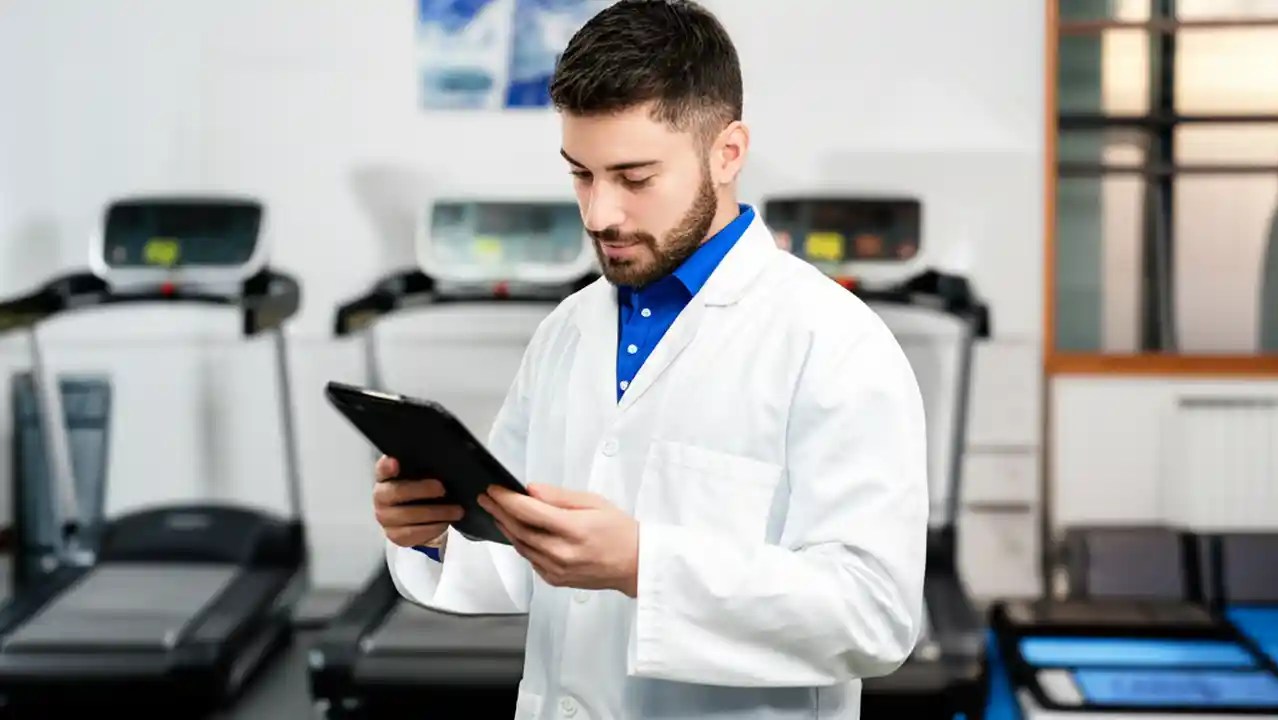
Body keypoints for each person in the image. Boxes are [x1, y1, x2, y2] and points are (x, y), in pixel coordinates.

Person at [372, 0, 930, 717]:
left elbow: (874, 617)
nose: (600, 213)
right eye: (581, 174)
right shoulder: (567, 333)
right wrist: (434, 530)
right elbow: (518, 551)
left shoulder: (834, 345)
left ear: (727, 153)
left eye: (634, 179)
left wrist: (643, 563)